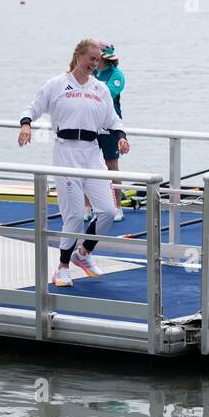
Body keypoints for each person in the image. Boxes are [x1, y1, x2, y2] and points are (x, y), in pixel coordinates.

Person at [18, 38, 128, 288]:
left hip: (92, 153)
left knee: (108, 211)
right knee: (75, 215)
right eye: (91, 59)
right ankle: (63, 267)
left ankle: (84, 253)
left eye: (97, 60)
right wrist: (26, 124)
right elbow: (33, 108)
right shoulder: (57, 84)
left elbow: (113, 120)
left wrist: (121, 137)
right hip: (66, 152)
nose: (94, 64)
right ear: (78, 56)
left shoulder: (100, 88)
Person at [94, 43, 128, 221]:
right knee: (87, 166)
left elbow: (106, 97)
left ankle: (117, 207)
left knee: (111, 166)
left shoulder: (116, 74)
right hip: (91, 124)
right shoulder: (90, 72)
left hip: (110, 126)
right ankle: (88, 207)